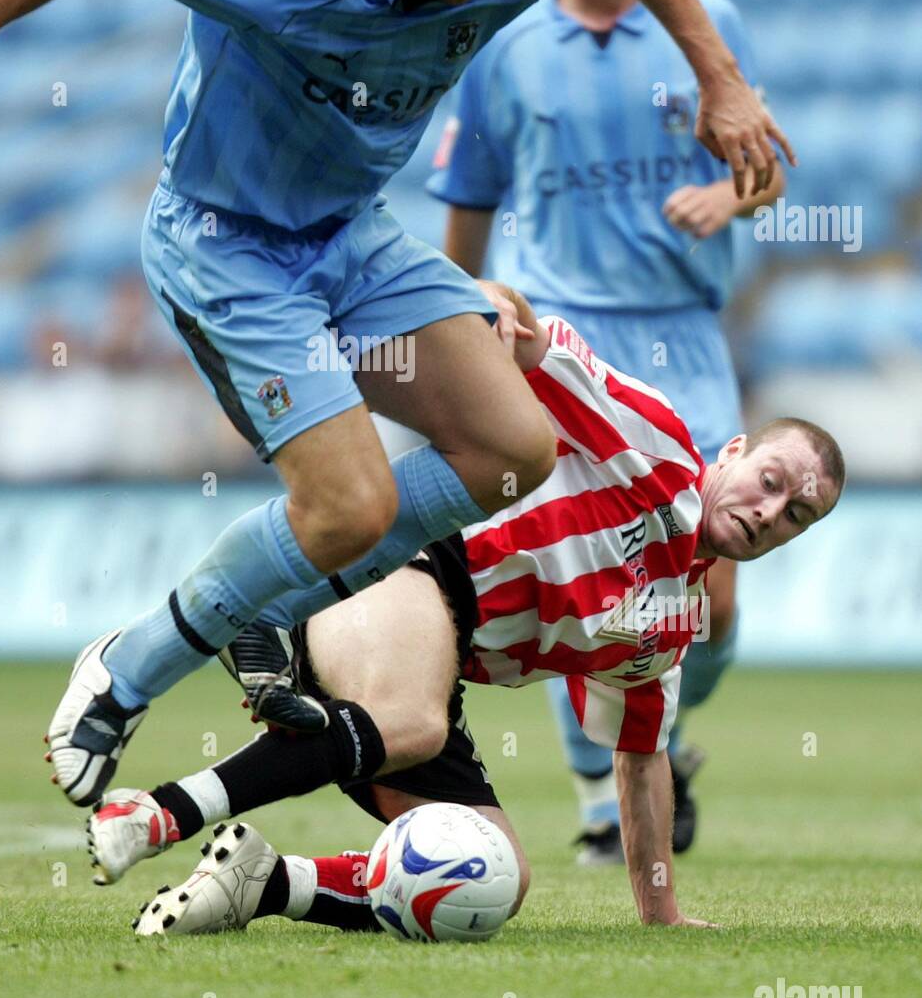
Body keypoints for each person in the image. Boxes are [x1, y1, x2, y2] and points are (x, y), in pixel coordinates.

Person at [0, 0, 792, 814]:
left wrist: (721, 80)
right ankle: (126, 670)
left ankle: (269, 604)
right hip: (228, 244)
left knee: (515, 449)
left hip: (352, 233)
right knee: (351, 506)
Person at [81, 291, 843, 939]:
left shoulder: (668, 630)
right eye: (770, 481)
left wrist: (662, 914)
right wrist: (484, 300)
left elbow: (641, 758)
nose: (769, 512)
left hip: (435, 660)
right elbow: (532, 335)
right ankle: (156, 811)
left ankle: (268, 883)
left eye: (795, 516)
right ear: (734, 451)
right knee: (414, 723)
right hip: (416, 556)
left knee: (492, 878)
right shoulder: (658, 442)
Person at [427, 0, 784, 862]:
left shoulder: (707, 25)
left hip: (681, 334)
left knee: (708, 597)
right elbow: (467, 200)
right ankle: (601, 789)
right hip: (559, 342)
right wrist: (464, 316)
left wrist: (731, 195)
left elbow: (766, 165)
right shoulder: (504, 39)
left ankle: (663, 733)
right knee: (579, 569)